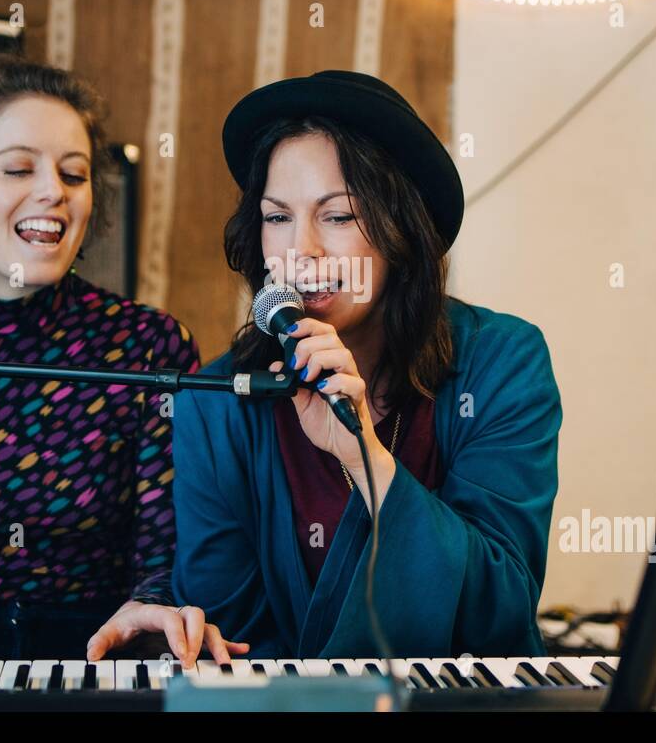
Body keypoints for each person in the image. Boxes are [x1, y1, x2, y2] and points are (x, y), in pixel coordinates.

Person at [0, 53, 246, 665]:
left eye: (74, 174)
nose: (53, 191)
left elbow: (165, 550)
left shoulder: (150, 346)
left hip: (101, 656)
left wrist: (155, 605)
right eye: (19, 168)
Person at [171, 70, 561, 658]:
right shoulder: (217, 399)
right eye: (277, 217)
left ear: (403, 229)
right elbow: (233, 636)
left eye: (339, 215)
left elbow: (500, 613)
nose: (301, 250)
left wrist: (367, 459)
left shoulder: (503, 361)